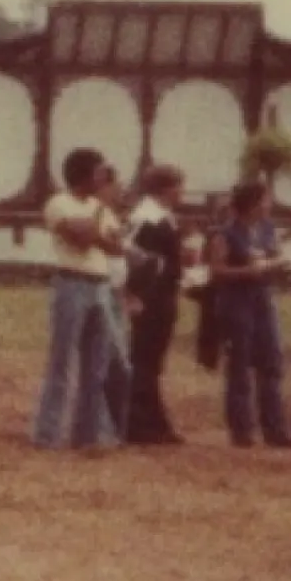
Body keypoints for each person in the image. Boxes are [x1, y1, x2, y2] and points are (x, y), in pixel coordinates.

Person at [31, 149, 129, 453]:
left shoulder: (97, 208)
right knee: (62, 360)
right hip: (71, 281)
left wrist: (98, 226)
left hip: (99, 283)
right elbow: (83, 238)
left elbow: (116, 247)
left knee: (97, 364)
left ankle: (87, 433)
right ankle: (47, 433)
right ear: (86, 173)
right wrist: (100, 214)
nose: (105, 178)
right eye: (100, 171)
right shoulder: (59, 203)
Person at [205, 181, 288, 447]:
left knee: (271, 363)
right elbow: (216, 271)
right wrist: (246, 272)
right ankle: (242, 431)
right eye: (265, 200)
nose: (269, 205)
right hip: (236, 302)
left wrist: (276, 263)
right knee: (239, 365)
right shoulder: (225, 233)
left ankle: (275, 429)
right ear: (252, 203)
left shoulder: (266, 229)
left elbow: (274, 256)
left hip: (262, 299)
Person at [122, 165, 191, 446]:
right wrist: (137, 293)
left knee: (151, 361)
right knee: (145, 360)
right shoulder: (147, 218)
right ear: (166, 189)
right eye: (179, 186)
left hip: (162, 294)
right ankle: (139, 424)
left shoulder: (161, 217)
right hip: (152, 296)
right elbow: (134, 257)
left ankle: (150, 421)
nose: (182, 192)